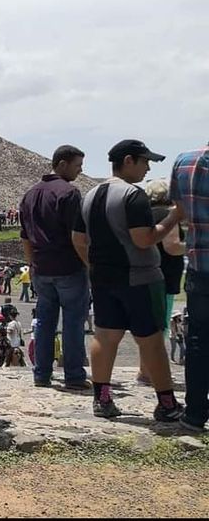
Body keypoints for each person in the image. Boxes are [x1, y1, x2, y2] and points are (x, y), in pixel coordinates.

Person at [72, 139, 183, 421]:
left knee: (105, 336)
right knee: (151, 340)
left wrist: (93, 265)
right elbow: (144, 238)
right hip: (140, 277)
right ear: (129, 161)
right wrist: (174, 217)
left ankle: (102, 398)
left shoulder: (89, 195)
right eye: (145, 162)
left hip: (103, 277)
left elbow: (78, 239)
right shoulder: (133, 195)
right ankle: (167, 403)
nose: (147, 169)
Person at [19, 144, 90, 389]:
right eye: (77, 165)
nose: (80, 171)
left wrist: (32, 264)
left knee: (45, 323)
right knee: (72, 322)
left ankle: (42, 374)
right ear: (62, 164)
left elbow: (25, 236)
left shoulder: (29, 194)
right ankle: (73, 375)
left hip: (40, 268)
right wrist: (89, 264)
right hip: (68, 265)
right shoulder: (69, 193)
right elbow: (77, 235)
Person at [170, 140, 209, 432]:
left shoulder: (185, 162)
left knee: (197, 341)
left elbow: (180, 211)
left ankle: (195, 412)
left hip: (200, 266)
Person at [136, 179, 185, 385]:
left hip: (144, 275)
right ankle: (150, 373)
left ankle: (144, 370)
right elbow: (172, 246)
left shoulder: (143, 215)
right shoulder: (167, 216)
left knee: (147, 324)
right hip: (164, 276)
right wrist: (192, 245)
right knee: (159, 326)